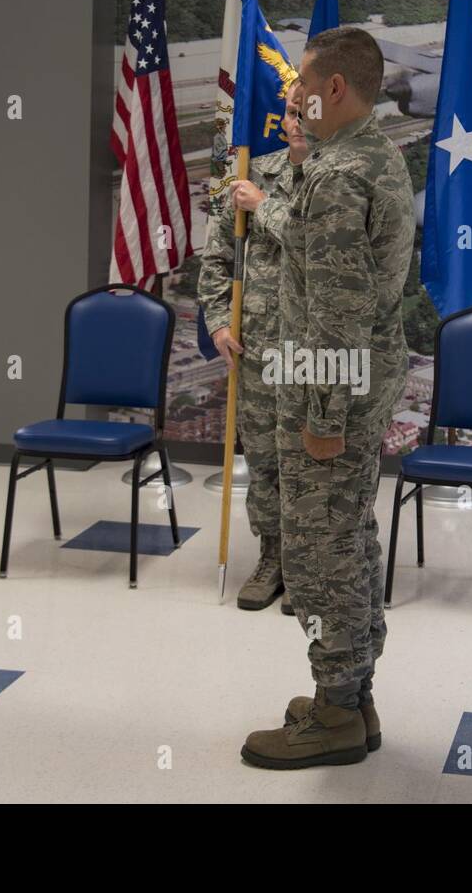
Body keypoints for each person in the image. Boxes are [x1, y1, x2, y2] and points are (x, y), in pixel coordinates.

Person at [234, 27, 415, 769]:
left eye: (303, 81)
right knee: (351, 540)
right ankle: (354, 695)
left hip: (330, 396)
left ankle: (336, 709)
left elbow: (337, 312)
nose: (294, 93)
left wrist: (323, 420)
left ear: (334, 88)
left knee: (320, 553)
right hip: (357, 386)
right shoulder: (376, 154)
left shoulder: (340, 174)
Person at [199, 85, 307, 613]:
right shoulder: (252, 172)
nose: (297, 121)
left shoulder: (342, 179)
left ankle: (309, 567)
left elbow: (322, 244)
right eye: (290, 111)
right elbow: (217, 260)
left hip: (319, 357)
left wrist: (263, 208)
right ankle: (272, 557)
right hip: (259, 351)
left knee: (312, 464)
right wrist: (220, 323)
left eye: (306, 110)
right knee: (264, 461)